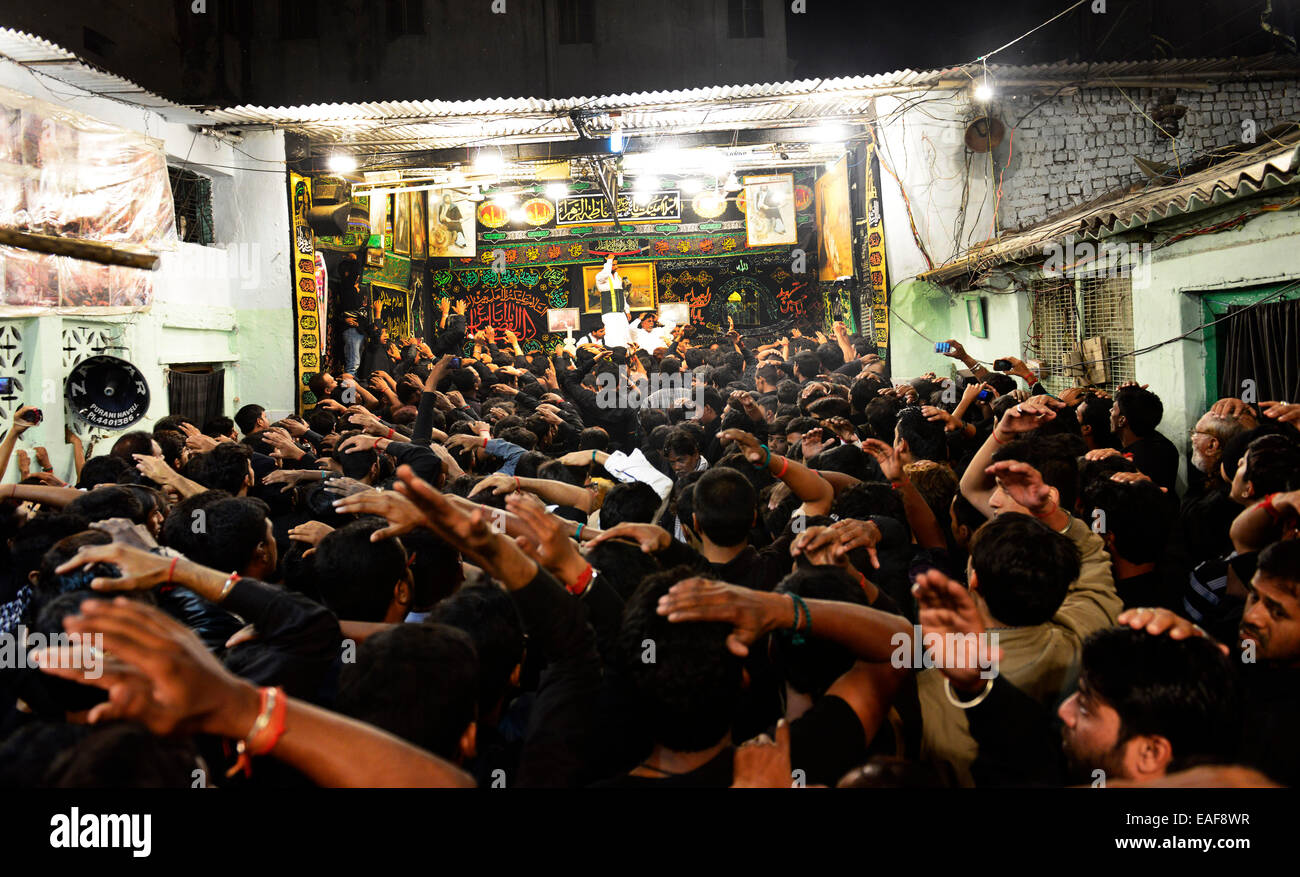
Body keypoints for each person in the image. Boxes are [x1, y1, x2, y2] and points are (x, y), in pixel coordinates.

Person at [594, 256, 631, 349]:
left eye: (616, 264)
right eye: (613, 265)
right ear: (607, 264)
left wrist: (627, 310)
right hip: (609, 314)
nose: (616, 267)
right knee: (612, 338)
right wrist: (609, 261)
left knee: (624, 335)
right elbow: (605, 273)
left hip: (620, 313)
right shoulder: (601, 277)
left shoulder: (618, 278)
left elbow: (622, 296)